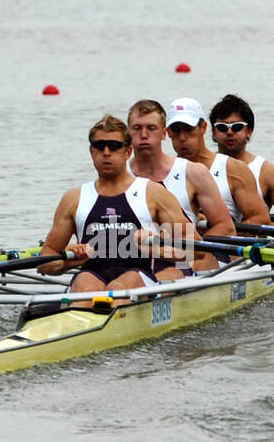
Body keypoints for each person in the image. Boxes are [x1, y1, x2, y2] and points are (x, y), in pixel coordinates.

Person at [37, 114, 194, 304]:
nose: (106, 152)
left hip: (137, 277)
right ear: (91, 151)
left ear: (127, 152)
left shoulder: (152, 193)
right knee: (86, 284)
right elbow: (44, 262)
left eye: (113, 146)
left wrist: (154, 249)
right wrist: (67, 262)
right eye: (99, 146)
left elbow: (194, 249)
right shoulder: (74, 198)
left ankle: (97, 320)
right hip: (90, 276)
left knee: (119, 288)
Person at [124, 99, 236, 275]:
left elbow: (226, 227)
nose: (144, 135)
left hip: (181, 258)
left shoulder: (193, 172)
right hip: (131, 258)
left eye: (151, 128)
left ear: (164, 133)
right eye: (137, 128)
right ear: (128, 133)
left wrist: (183, 249)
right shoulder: (117, 175)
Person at [164, 98, 271, 228]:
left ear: (203, 127)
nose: (182, 137)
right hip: (181, 245)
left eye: (188, 129)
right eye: (176, 130)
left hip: (224, 245)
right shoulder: (162, 173)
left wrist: (223, 231)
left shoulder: (233, 169)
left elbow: (259, 218)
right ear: (167, 132)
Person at [209, 94, 274, 217]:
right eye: (222, 127)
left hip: (251, 235)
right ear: (213, 133)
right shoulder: (199, 168)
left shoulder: (268, 173)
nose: (229, 132)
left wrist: (261, 222)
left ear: (249, 131)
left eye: (237, 127)